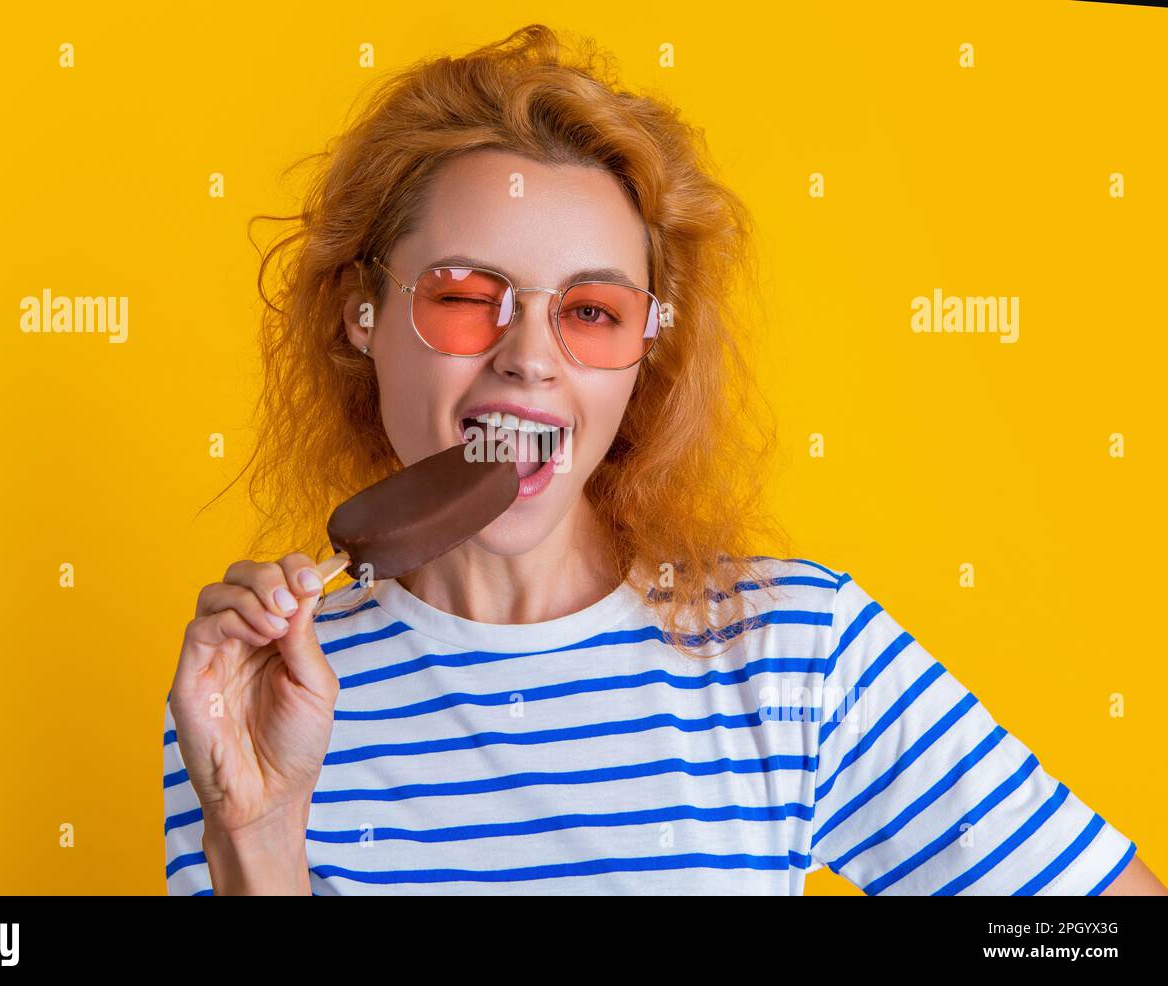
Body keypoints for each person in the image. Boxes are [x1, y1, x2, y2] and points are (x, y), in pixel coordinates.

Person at [161, 24, 1163, 895]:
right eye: (466, 295)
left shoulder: (795, 655)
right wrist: (255, 831)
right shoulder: (259, 695)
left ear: (647, 355)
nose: (530, 356)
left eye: (594, 312)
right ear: (363, 315)